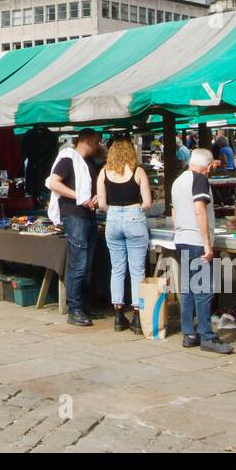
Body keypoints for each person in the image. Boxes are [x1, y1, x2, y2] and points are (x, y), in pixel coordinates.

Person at [172, 148, 233, 354]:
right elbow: (200, 209)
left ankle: (189, 333)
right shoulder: (200, 179)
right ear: (207, 167)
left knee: (188, 289)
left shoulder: (178, 180)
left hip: (181, 238)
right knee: (204, 290)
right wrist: (207, 243)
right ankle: (207, 336)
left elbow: (174, 211)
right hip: (196, 240)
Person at [46, 129, 102, 326]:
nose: (98, 146)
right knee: (78, 263)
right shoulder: (68, 159)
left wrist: (94, 197)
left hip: (89, 216)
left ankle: (83, 305)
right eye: (96, 142)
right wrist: (79, 196)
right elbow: (53, 183)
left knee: (87, 264)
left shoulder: (89, 163)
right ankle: (74, 308)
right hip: (74, 216)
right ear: (86, 140)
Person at [96, 138, 152, 334]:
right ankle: (137, 315)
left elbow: (101, 204)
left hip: (112, 220)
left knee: (117, 269)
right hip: (134, 217)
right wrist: (134, 210)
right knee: (137, 270)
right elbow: (147, 202)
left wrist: (114, 211)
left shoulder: (103, 172)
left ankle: (118, 315)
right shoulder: (138, 171)